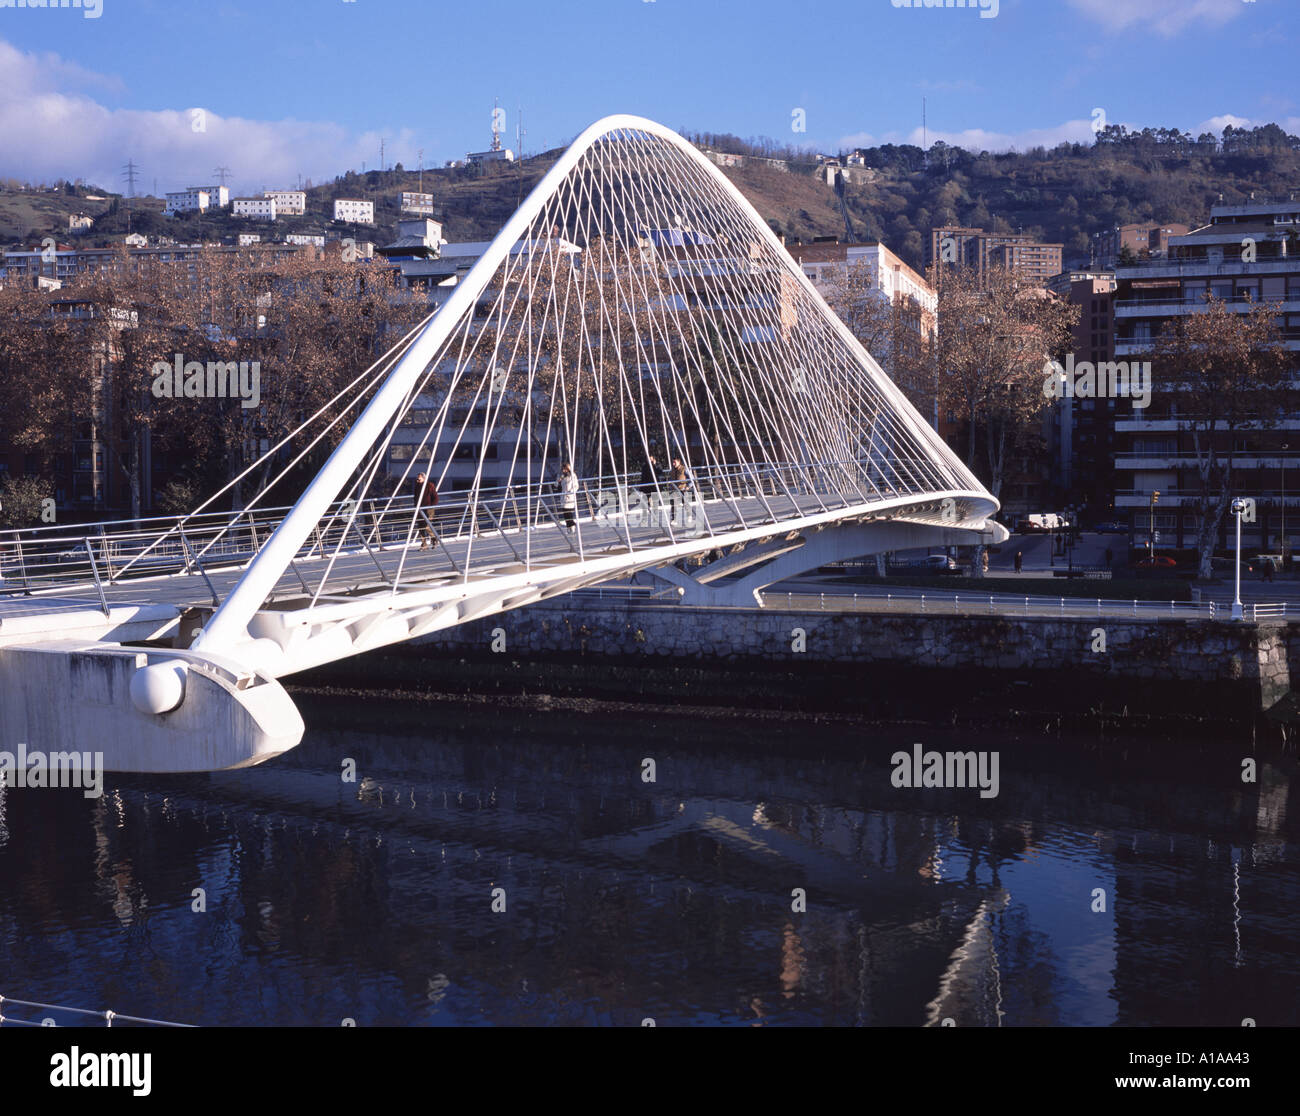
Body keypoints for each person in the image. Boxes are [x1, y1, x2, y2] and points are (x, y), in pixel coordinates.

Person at [414, 471, 438, 549]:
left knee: (427, 525)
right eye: (417, 479)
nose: (417, 480)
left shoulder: (429, 485)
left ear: (424, 478)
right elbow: (416, 497)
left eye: (419, 479)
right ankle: (424, 544)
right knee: (420, 526)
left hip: (428, 508)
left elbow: (435, 497)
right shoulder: (417, 486)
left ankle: (434, 538)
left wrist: (431, 507)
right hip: (419, 508)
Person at [559, 462, 578, 531]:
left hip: (569, 496)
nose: (563, 471)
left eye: (565, 469)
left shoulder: (573, 476)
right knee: (565, 512)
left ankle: (572, 525)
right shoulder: (563, 476)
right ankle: (569, 525)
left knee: (568, 511)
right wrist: (558, 481)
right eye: (563, 469)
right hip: (563, 497)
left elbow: (576, 486)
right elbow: (557, 485)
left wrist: (571, 492)